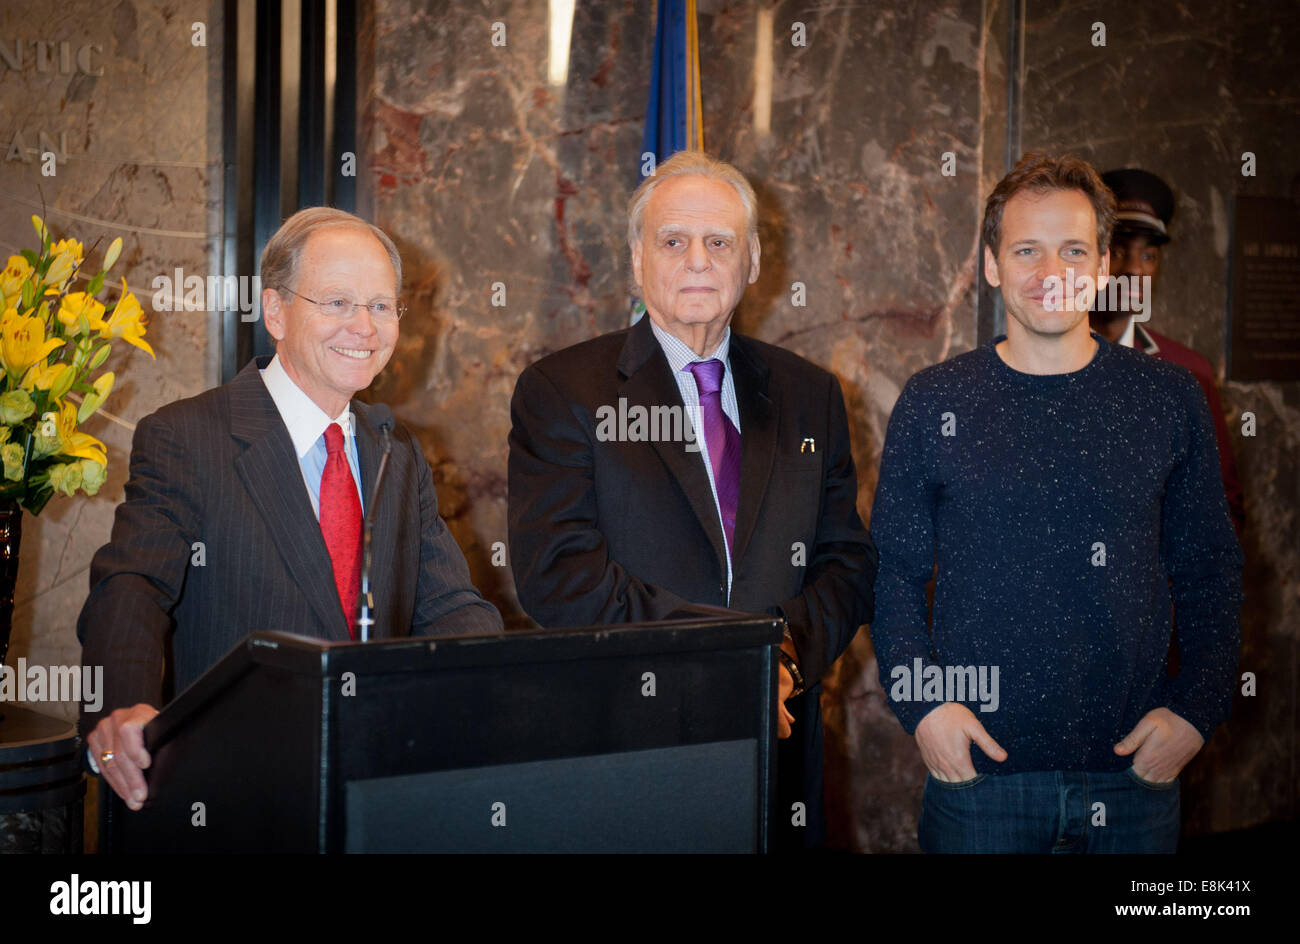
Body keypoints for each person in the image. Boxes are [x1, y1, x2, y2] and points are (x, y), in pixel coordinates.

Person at [870, 152, 1243, 853]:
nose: (1052, 273)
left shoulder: (1168, 399)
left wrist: (1196, 711)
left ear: (1104, 265)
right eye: (1026, 250)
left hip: (1132, 778)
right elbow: (891, 574)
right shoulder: (935, 400)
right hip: (980, 779)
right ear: (991, 264)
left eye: (1074, 249)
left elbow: (1210, 571)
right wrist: (923, 707)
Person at [507, 150, 877, 850]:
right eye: (673, 241)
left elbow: (847, 563)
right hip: (626, 754)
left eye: (720, 242)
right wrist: (725, 663)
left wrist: (782, 657)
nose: (698, 261)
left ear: (754, 260)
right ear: (637, 258)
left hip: (780, 755)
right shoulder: (565, 390)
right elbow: (558, 573)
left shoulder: (810, 394)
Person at [79, 207, 503, 810]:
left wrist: (498, 687)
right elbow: (132, 585)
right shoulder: (188, 436)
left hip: (375, 787)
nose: (365, 326)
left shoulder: (397, 448)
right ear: (275, 311)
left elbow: (451, 607)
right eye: (337, 303)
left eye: (382, 306)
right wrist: (122, 705)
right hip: (230, 795)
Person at [1090, 167, 1244, 533]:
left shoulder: (1187, 371)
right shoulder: (1043, 359)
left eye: (1149, 256)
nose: (1133, 270)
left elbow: (1223, 509)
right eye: (1119, 249)